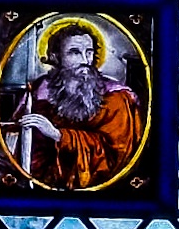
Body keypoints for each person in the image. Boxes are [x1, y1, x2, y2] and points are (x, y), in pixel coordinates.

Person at [7, 21, 144, 191]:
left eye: (89, 52)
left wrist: (58, 135)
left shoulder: (116, 97)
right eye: (75, 52)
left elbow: (116, 155)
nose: (85, 60)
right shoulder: (39, 90)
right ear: (55, 56)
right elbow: (16, 136)